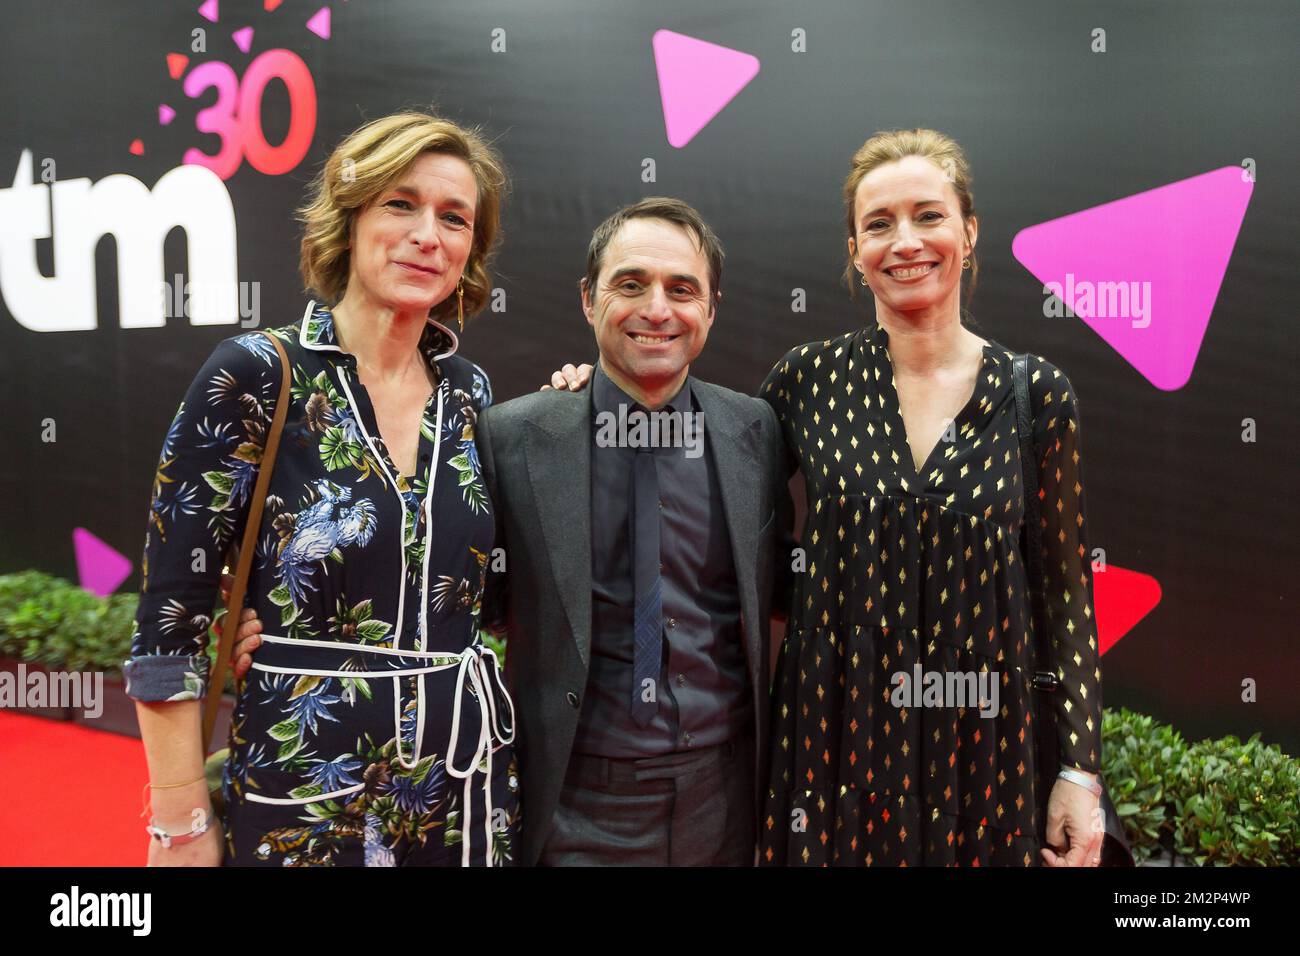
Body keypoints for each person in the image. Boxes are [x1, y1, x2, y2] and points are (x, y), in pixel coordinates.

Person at [547, 129, 1106, 867]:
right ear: (855, 250)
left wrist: (1077, 769)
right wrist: (586, 403)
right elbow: (708, 503)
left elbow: (1064, 594)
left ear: (969, 232)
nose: (905, 241)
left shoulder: (1035, 395)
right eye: (878, 224)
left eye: (928, 216)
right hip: (832, 743)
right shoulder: (807, 382)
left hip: (981, 741)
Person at [233, 196, 795, 865]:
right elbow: (443, 585)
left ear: (710, 307)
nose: (657, 309)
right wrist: (291, 634)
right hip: (574, 800)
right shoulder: (514, 437)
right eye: (631, 284)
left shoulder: (754, 432)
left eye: (682, 290)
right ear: (589, 301)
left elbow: (781, 595)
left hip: (726, 797)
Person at [125, 110, 520, 866]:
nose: (427, 234)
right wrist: (179, 823)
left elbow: (485, 599)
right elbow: (169, 625)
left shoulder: (469, 393)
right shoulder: (256, 373)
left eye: (454, 218)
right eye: (400, 204)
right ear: (350, 217)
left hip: (461, 797)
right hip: (303, 795)